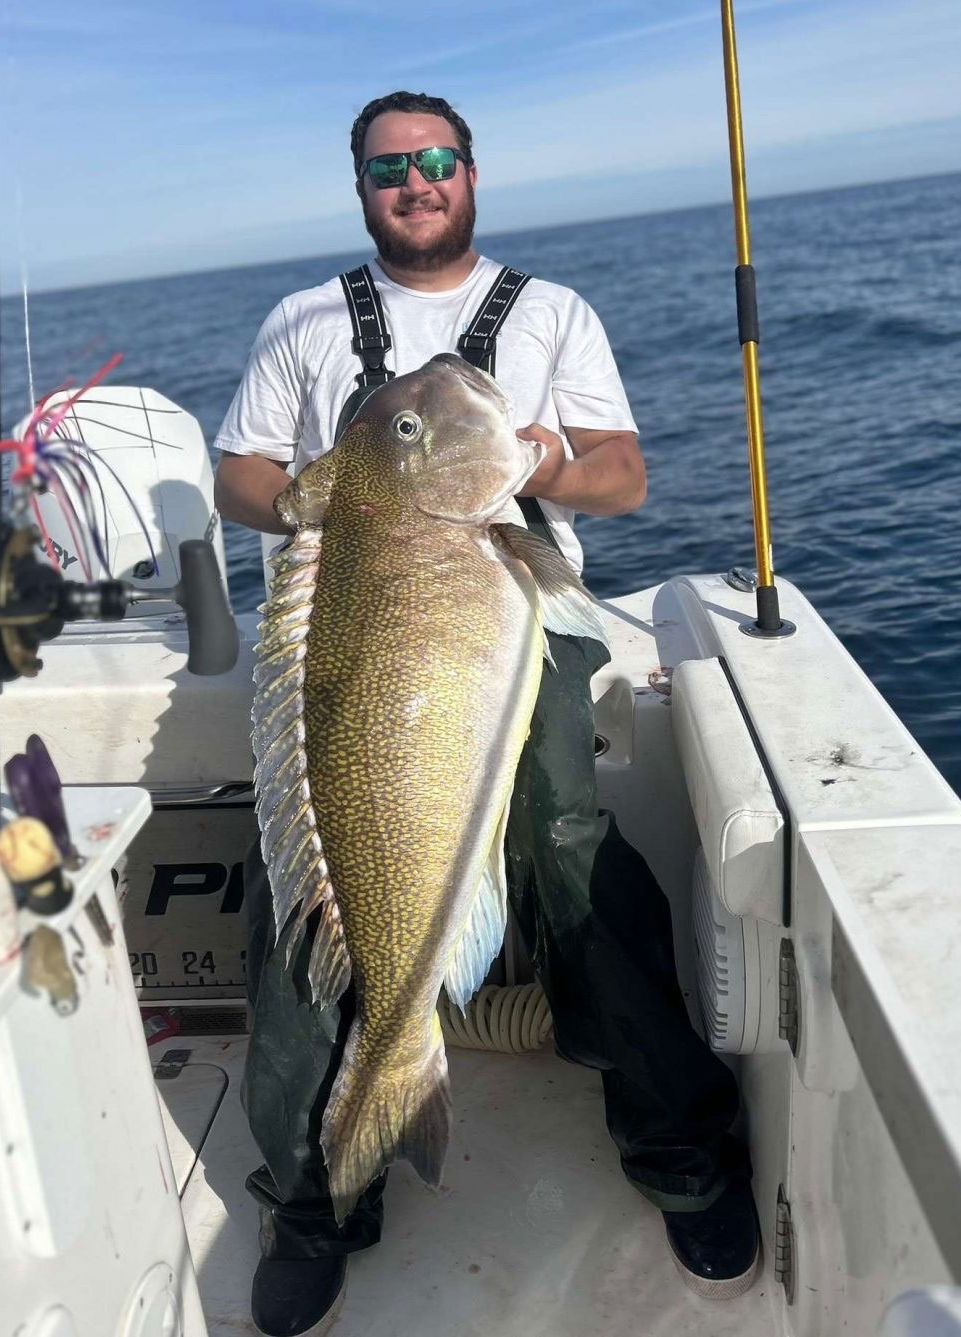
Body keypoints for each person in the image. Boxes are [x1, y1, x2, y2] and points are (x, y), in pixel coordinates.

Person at [214, 90, 760, 1337]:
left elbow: (621, 471)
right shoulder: (301, 320)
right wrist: (309, 501)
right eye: (390, 166)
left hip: (521, 618)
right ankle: (313, 1199)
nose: (416, 181)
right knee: (314, 892)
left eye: (437, 159)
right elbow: (240, 471)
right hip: (354, 642)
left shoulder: (555, 310)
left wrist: (540, 463)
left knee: (570, 839)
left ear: (471, 171)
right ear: (360, 186)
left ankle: (680, 1150)